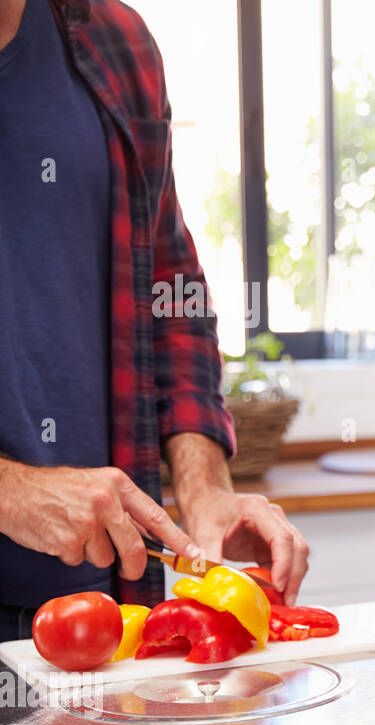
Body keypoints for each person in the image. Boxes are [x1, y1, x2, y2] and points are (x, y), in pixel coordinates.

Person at [0, 0, 309, 642]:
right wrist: (10, 490)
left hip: (98, 618)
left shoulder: (115, 38)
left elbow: (171, 289)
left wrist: (204, 491)